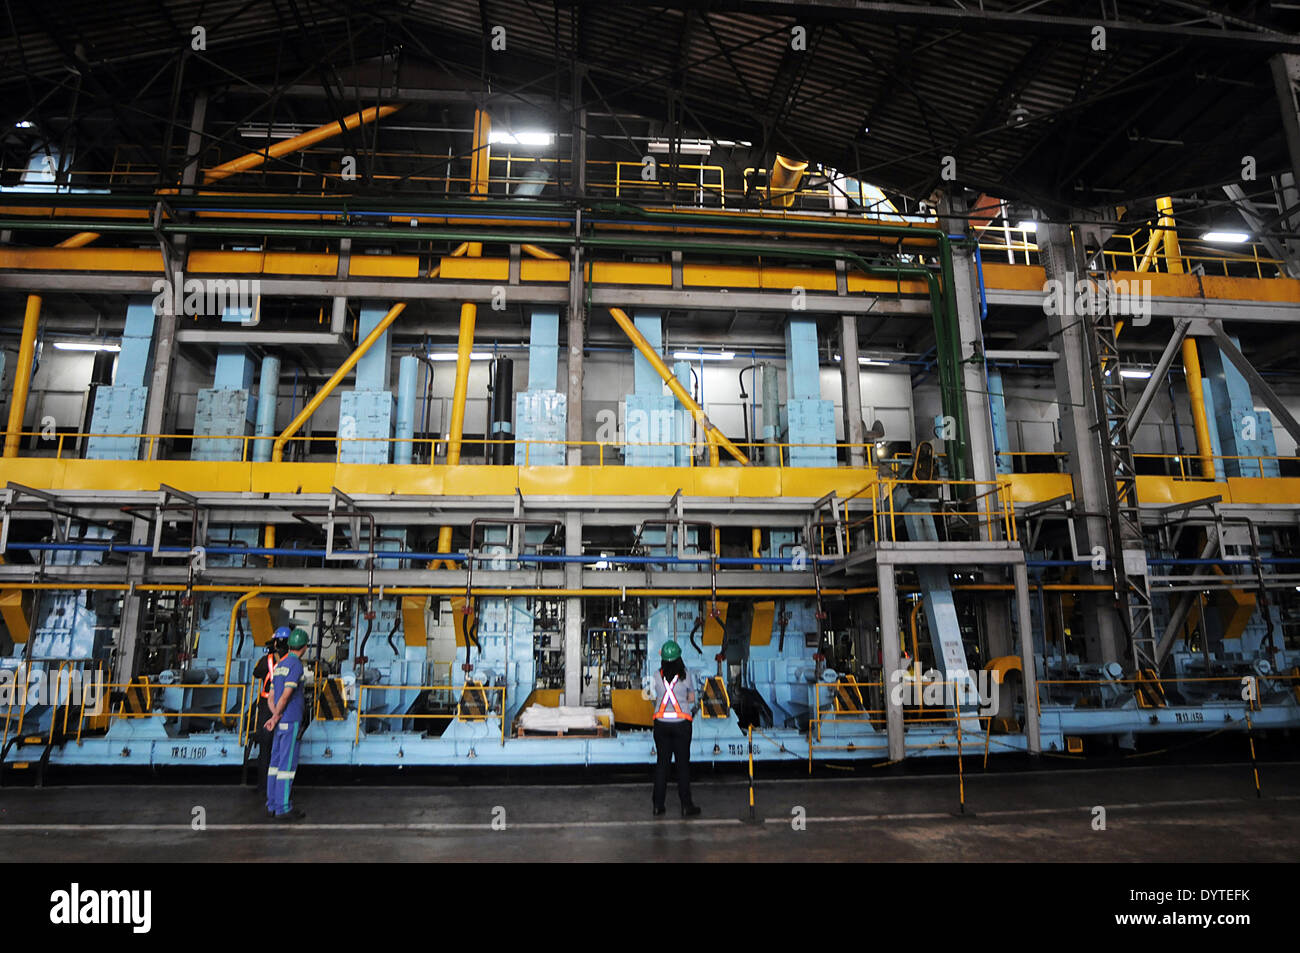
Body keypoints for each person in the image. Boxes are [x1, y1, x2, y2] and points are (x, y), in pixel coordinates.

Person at [651, 640, 701, 818]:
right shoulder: (686, 675)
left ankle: (658, 805)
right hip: (681, 725)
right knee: (682, 766)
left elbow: (651, 695)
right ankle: (686, 806)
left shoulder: (656, 675)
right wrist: (680, 700)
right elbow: (692, 698)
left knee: (662, 765)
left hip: (661, 725)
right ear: (679, 658)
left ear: (663, 659)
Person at [265, 628, 309, 821]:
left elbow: (272, 696)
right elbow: (286, 695)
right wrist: (278, 716)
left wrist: (274, 715)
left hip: (280, 720)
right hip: (289, 720)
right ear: (305, 647)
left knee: (274, 764)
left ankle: (271, 804)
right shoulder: (296, 665)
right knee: (286, 766)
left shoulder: (279, 665)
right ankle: (283, 808)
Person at [251, 627, 290, 789]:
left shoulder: (266, 661)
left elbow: (256, 673)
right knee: (283, 746)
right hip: (285, 707)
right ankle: (280, 787)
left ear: (275, 642)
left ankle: (264, 786)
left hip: (267, 706)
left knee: (265, 746)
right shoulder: (292, 661)